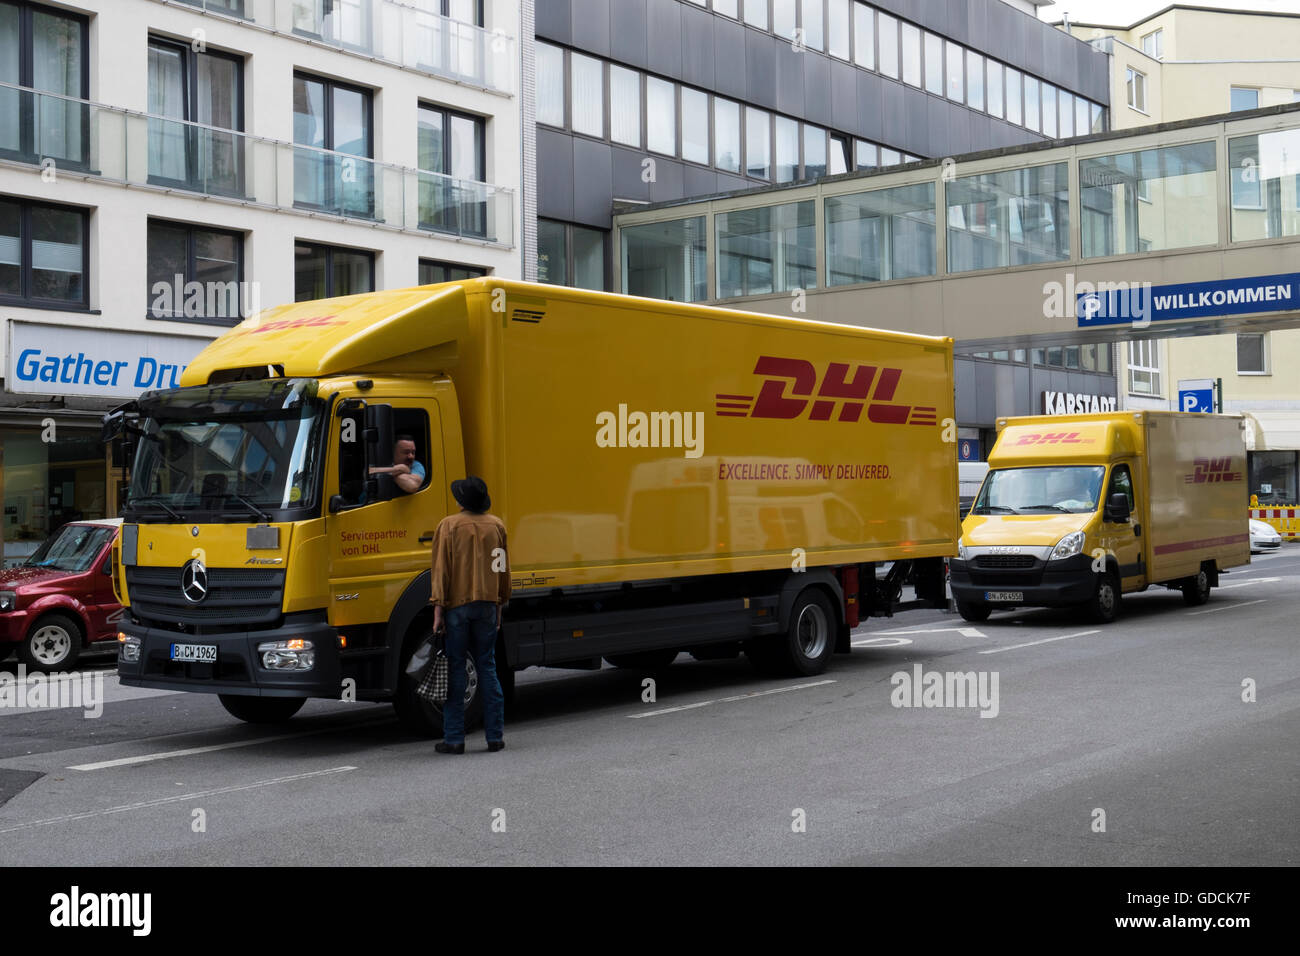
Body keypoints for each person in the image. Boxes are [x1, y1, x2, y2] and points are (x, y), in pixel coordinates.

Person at [429, 475, 511, 754]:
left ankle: (454, 739)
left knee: (456, 668)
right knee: (488, 667)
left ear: (460, 501)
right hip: (488, 604)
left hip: (457, 606)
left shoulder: (449, 526)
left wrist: (438, 609)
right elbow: (501, 568)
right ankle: (495, 737)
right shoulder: (497, 526)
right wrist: (499, 604)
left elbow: (442, 570)